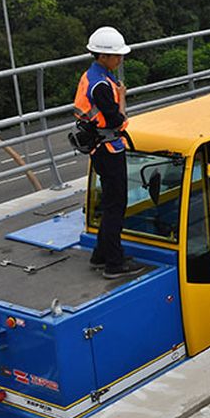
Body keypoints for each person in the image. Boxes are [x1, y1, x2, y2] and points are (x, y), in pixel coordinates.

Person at [74, 26, 145, 279]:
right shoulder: (101, 85)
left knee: (110, 204)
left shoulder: (93, 76)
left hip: (100, 147)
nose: (120, 59)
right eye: (116, 55)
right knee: (117, 205)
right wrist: (123, 98)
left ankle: (101, 254)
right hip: (108, 148)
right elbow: (117, 120)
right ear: (103, 56)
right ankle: (114, 264)